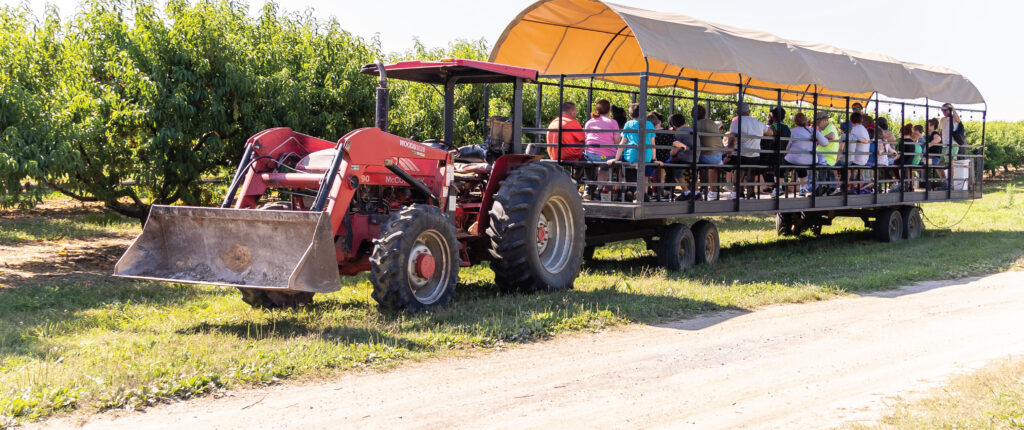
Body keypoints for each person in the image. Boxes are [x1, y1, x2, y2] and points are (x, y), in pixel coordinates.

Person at [607, 103, 661, 202]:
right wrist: (654, 159)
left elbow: (623, 143)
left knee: (625, 166)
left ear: (630, 115)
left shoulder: (628, 124)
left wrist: (616, 158)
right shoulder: (649, 124)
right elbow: (653, 143)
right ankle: (642, 193)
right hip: (647, 156)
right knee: (643, 171)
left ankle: (631, 190)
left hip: (631, 155)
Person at [724, 102, 773, 199]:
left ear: (738, 112)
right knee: (752, 172)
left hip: (740, 155)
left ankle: (739, 193)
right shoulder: (757, 122)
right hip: (755, 156)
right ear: (749, 111)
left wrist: (728, 156)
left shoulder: (736, 122)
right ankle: (751, 194)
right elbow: (770, 132)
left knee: (738, 169)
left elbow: (732, 140)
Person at [783, 112, 829, 196]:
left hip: (795, 159)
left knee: (780, 166)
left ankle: (778, 188)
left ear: (795, 121)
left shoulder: (793, 131)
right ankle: (803, 189)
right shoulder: (812, 131)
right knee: (801, 166)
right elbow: (825, 143)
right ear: (805, 120)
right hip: (811, 160)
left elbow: (787, 147)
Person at [583, 99, 620, 201]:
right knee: (605, 166)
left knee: (592, 164)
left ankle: (588, 188)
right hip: (605, 156)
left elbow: (586, 139)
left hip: (590, 155)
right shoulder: (613, 122)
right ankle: (599, 192)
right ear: (609, 110)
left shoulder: (589, 122)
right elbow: (617, 142)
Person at [695, 105, 724, 200]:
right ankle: (713, 191)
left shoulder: (696, 124)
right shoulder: (712, 123)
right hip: (719, 156)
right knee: (710, 165)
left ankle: (695, 191)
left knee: (689, 161)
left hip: (707, 156)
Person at [761, 107, 790, 195]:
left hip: (773, 154)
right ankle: (777, 188)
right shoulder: (787, 128)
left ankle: (771, 187)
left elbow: (768, 141)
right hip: (783, 154)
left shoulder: (773, 127)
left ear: (773, 116)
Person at [667, 113, 696, 200]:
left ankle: (685, 192)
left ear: (674, 125)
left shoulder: (678, 133)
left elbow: (674, 151)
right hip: (695, 157)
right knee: (689, 174)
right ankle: (694, 192)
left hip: (685, 158)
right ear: (685, 121)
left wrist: (669, 153)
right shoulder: (692, 130)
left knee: (670, 166)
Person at [815, 112, 841, 195]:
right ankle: (825, 189)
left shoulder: (830, 127)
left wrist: (821, 138)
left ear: (825, 121)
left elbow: (832, 135)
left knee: (824, 172)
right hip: (824, 156)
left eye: (819, 122)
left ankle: (827, 188)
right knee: (825, 173)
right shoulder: (825, 129)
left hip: (827, 156)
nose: (818, 125)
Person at [847, 112, 872, 194]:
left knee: (845, 167)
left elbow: (864, 140)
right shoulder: (863, 129)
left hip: (857, 158)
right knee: (857, 174)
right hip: (864, 158)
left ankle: (848, 188)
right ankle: (856, 188)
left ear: (851, 121)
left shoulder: (855, 129)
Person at [898, 123, 923, 191]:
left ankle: (905, 185)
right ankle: (910, 186)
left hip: (909, 162)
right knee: (909, 171)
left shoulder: (904, 142)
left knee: (901, 170)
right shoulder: (918, 146)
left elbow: (900, 154)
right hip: (913, 162)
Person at [924, 118, 946, 183]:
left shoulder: (935, 133)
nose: (925, 126)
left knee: (918, 163)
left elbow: (938, 138)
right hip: (934, 158)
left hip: (933, 159)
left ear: (932, 126)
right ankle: (944, 183)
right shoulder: (932, 134)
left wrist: (928, 145)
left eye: (927, 125)